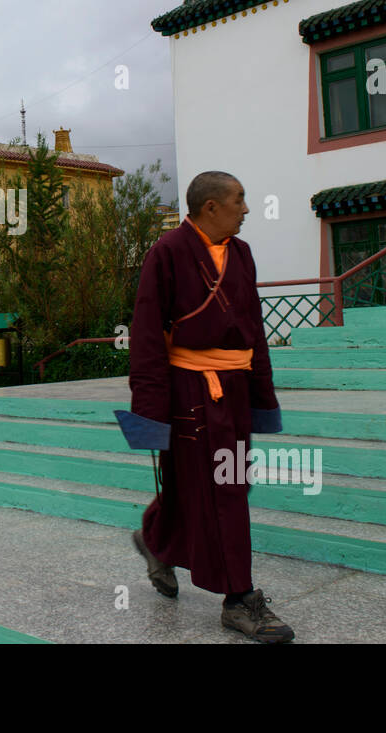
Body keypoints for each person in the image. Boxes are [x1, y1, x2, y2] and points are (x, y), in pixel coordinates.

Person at [127, 170, 294, 643]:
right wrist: (150, 416)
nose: (246, 209)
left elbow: (254, 332)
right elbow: (145, 338)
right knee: (225, 487)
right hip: (189, 393)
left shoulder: (241, 254)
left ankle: (156, 539)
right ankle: (239, 600)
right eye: (239, 200)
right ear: (210, 208)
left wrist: (263, 395)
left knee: (208, 482)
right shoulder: (167, 253)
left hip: (235, 392)